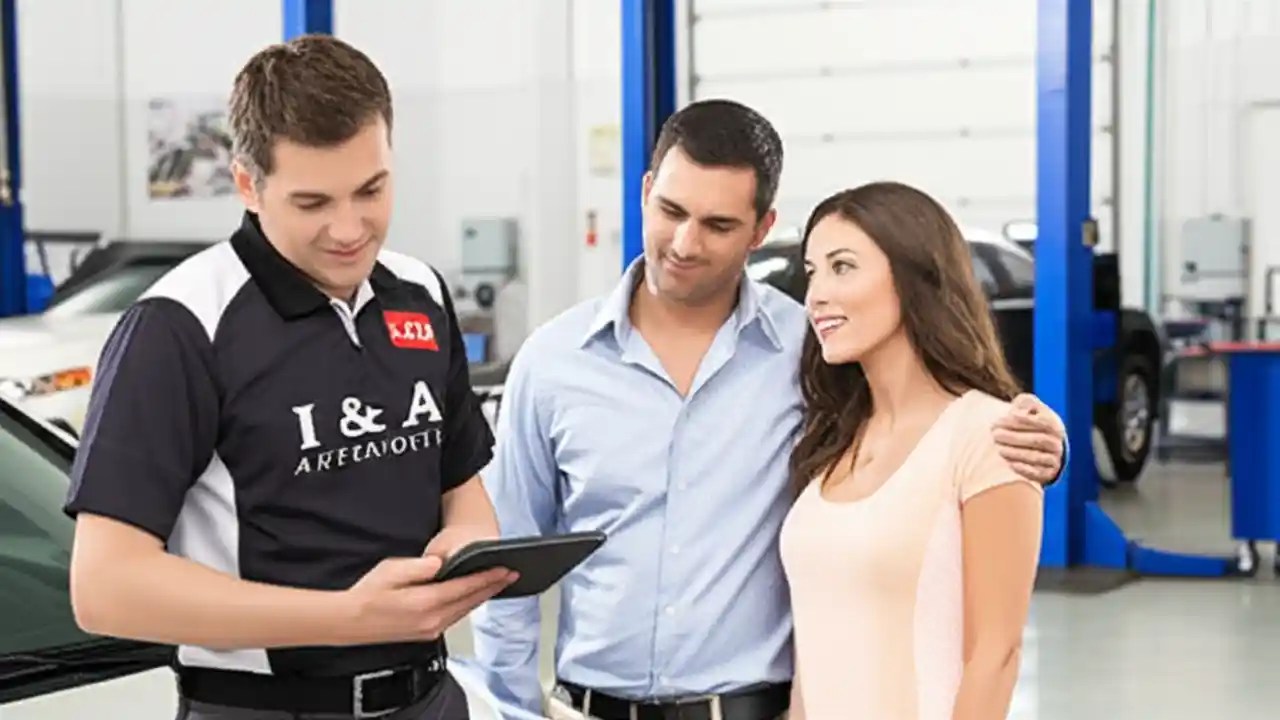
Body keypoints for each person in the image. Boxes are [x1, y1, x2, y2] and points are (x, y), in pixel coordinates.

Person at [467, 99, 1067, 720]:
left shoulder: (812, 353)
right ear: (646, 190)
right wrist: (512, 708)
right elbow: (507, 561)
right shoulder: (554, 361)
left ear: (760, 229)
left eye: (719, 225)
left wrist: (1042, 442)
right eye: (671, 210)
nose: (684, 243)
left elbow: (929, 421)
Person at [63, 35, 515, 719]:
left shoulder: (419, 292)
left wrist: (465, 545)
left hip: (432, 699)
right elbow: (105, 588)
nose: (349, 228)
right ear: (249, 184)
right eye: (312, 203)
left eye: (372, 189)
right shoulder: (179, 325)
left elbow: (463, 489)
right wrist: (348, 618)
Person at [781, 182, 1045, 719]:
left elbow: (996, 655)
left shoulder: (987, 436)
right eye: (812, 272)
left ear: (913, 277)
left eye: (843, 267)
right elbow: (813, 652)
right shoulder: (834, 440)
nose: (817, 295)